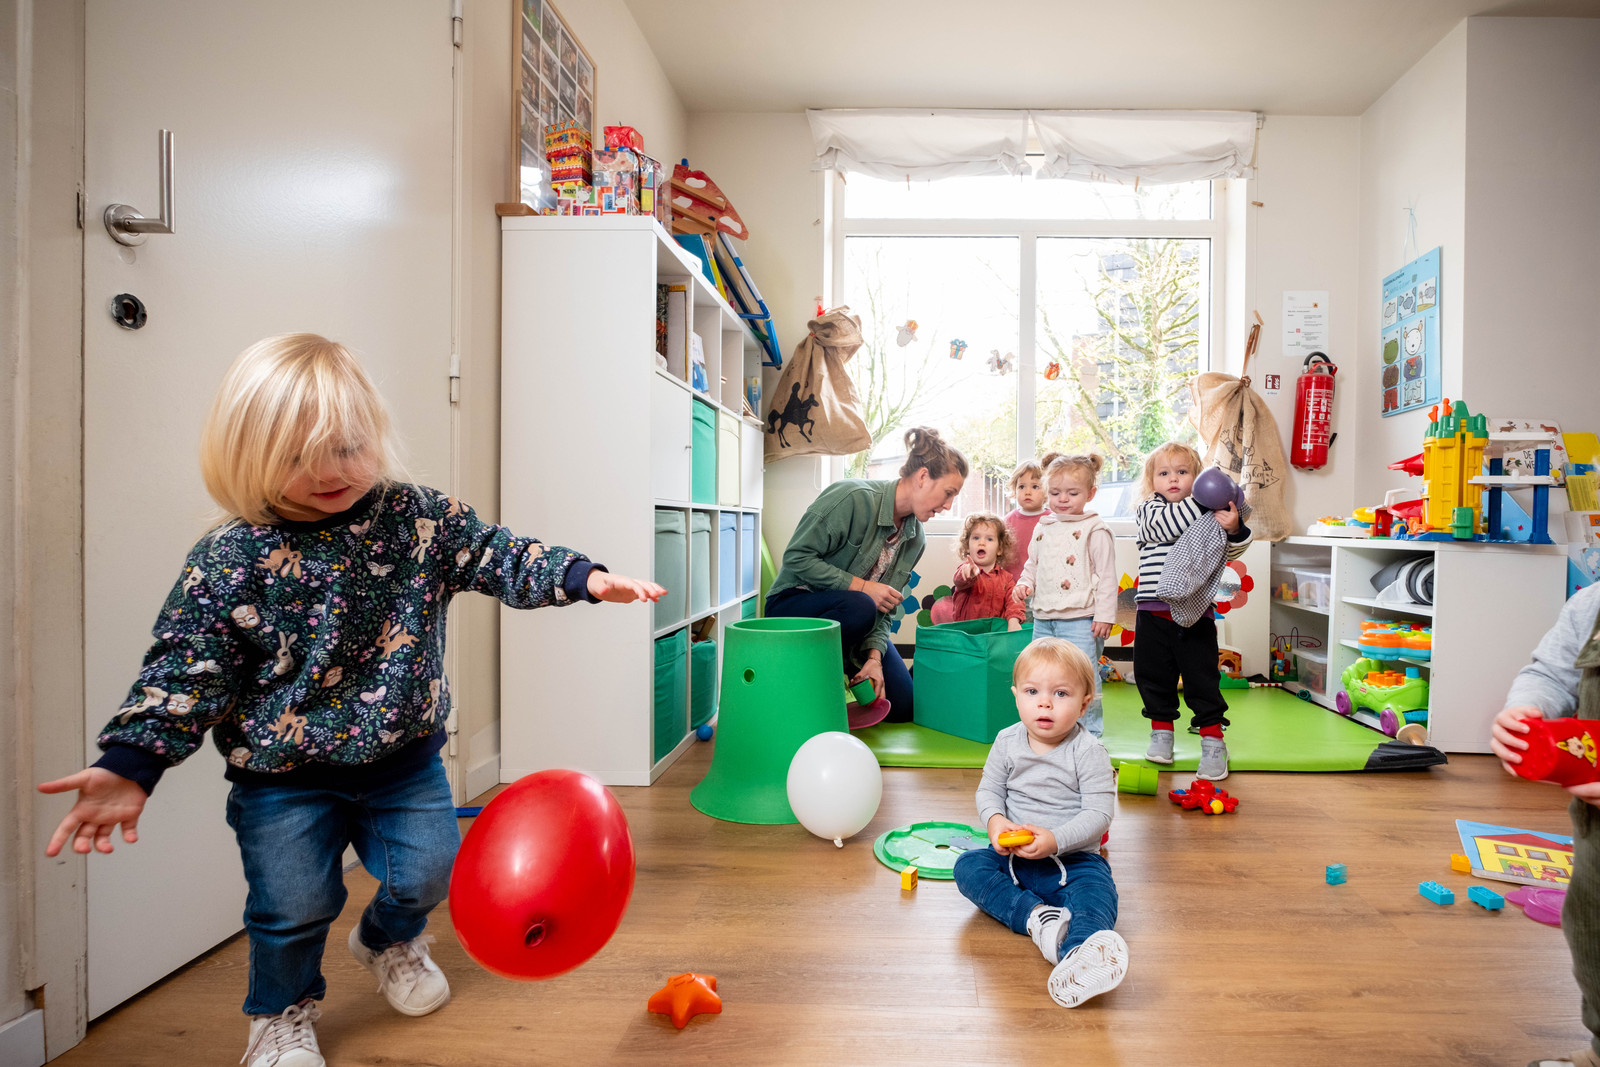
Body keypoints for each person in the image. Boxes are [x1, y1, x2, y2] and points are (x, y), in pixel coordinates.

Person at [35, 335, 664, 1067]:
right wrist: (131, 759)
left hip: (403, 758)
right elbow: (185, 666)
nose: (331, 471)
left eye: (348, 446)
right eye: (299, 457)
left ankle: (388, 939)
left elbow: (498, 552)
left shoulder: (414, 517)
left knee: (429, 872)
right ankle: (279, 1013)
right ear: (248, 456)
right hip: (282, 779)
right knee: (293, 906)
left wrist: (581, 576)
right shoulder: (229, 558)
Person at [952, 637, 1126, 1008]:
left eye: (1061, 693)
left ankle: (1077, 954)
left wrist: (1056, 839)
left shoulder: (1088, 752)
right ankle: (1037, 919)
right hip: (1013, 858)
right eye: (1032, 691)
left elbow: (1099, 814)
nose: (1044, 702)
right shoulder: (1006, 741)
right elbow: (988, 792)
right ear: (1016, 696)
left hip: (1074, 860)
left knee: (1098, 895)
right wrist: (996, 822)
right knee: (968, 866)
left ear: (1084, 703)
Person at [765, 426, 967, 722]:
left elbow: (884, 609)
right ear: (923, 477)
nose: (949, 506)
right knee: (860, 604)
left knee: (903, 707)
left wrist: (874, 659)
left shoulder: (915, 539)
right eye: (948, 493)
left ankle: (850, 668)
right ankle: (810, 684)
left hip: (854, 625)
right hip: (795, 608)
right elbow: (797, 558)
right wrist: (862, 587)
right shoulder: (852, 497)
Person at [1490, 583, 1600, 1067]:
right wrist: (1525, 710)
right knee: (1590, 925)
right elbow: (1551, 675)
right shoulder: (1592, 603)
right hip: (1596, 828)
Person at [1132, 442, 1250, 780]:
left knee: (1203, 680)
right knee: (1153, 676)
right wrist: (1202, 501)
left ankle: (1214, 743)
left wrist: (1233, 527)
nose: (1173, 479)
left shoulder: (1209, 515)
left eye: (1183, 472)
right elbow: (1167, 527)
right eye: (1164, 473)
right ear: (1152, 480)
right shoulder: (1149, 510)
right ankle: (1161, 733)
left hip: (1196, 612)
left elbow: (1233, 551)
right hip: (1153, 610)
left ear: (1196, 478)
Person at [1013, 454, 1116, 737]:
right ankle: (1043, 728)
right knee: (1042, 674)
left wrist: (1105, 615)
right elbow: (1032, 564)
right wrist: (1024, 584)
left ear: (1090, 493)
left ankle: (1090, 734)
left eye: (1072, 493)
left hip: (1080, 618)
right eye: (1056, 492)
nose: (1063, 499)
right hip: (1044, 617)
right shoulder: (1044, 527)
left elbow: (1107, 576)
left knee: (1083, 677)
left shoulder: (1095, 529)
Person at [930, 512, 1024, 629]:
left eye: (989, 539)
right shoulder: (965, 569)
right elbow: (960, 579)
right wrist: (969, 573)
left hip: (993, 637)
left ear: (999, 549)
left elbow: (1014, 602)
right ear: (968, 546)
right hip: (967, 636)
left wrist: (1013, 621)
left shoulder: (1007, 579)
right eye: (976, 538)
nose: (981, 542)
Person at [1001, 453, 1059, 583]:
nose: (1027, 492)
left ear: (1047, 489)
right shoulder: (1007, 521)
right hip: (1013, 584)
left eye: (1035, 486)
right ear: (1014, 490)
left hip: (1044, 583)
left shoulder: (1052, 519)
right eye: (1021, 486)